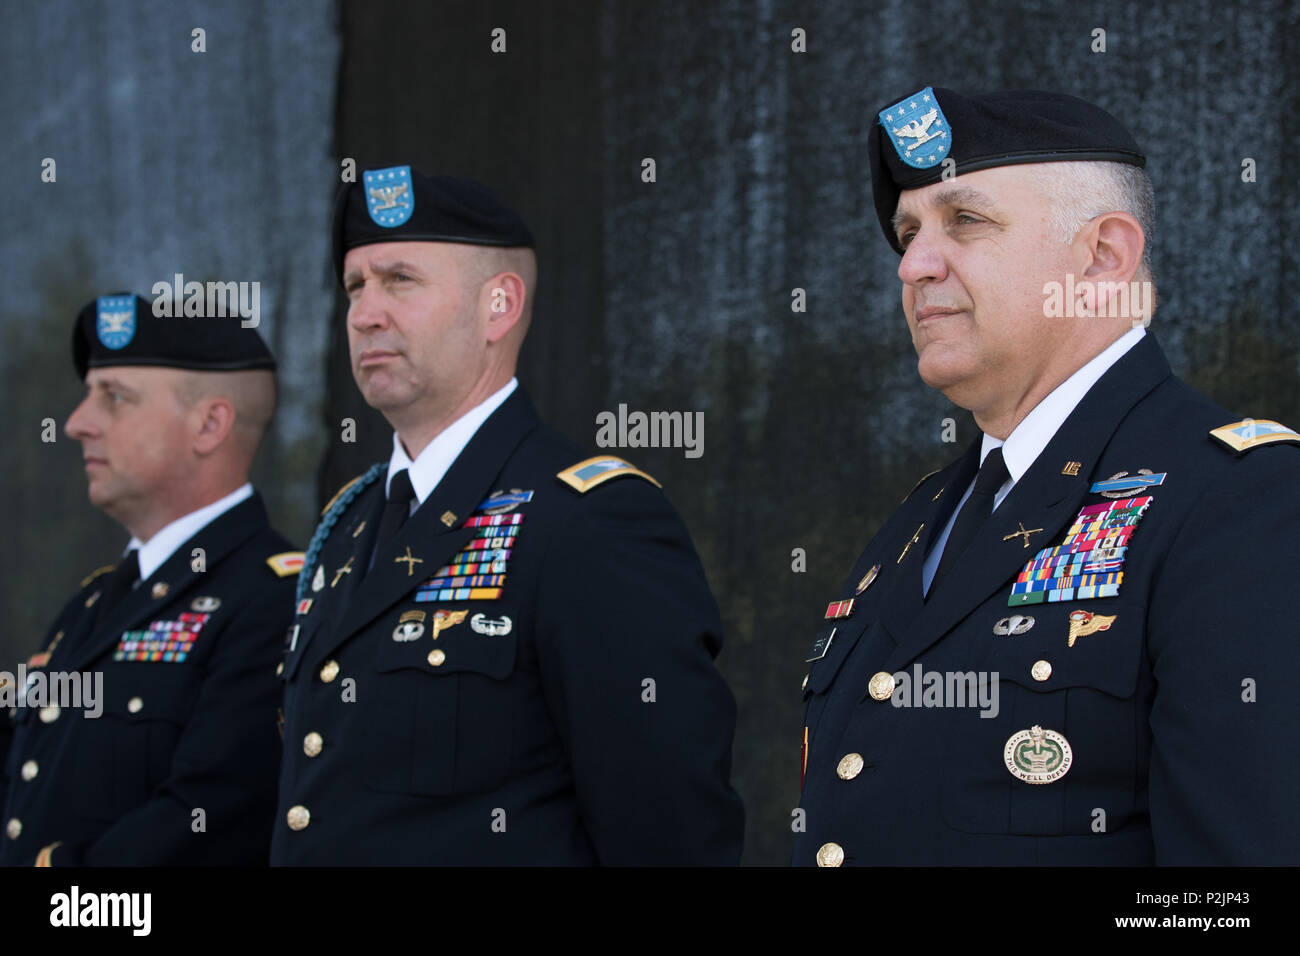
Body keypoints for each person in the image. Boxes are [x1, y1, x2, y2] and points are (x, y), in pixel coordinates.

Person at [794, 86, 1300, 866]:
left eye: (966, 220)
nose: (915, 265)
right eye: (907, 232)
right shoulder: (921, 521)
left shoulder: (1238, 502)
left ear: (1102, 256)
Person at [272, 166, 743, 865]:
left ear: (499, 305)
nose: (366, 312)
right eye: (354, 287)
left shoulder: (589, 522)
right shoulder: (348, 526)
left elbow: (668, 833)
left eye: (399, 280)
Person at [0, 293, 300, 866]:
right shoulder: (93, 603)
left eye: (114, 398)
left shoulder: (272, 602)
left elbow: (208, 822)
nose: (76, 423)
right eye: (89, 395)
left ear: (210, 424)